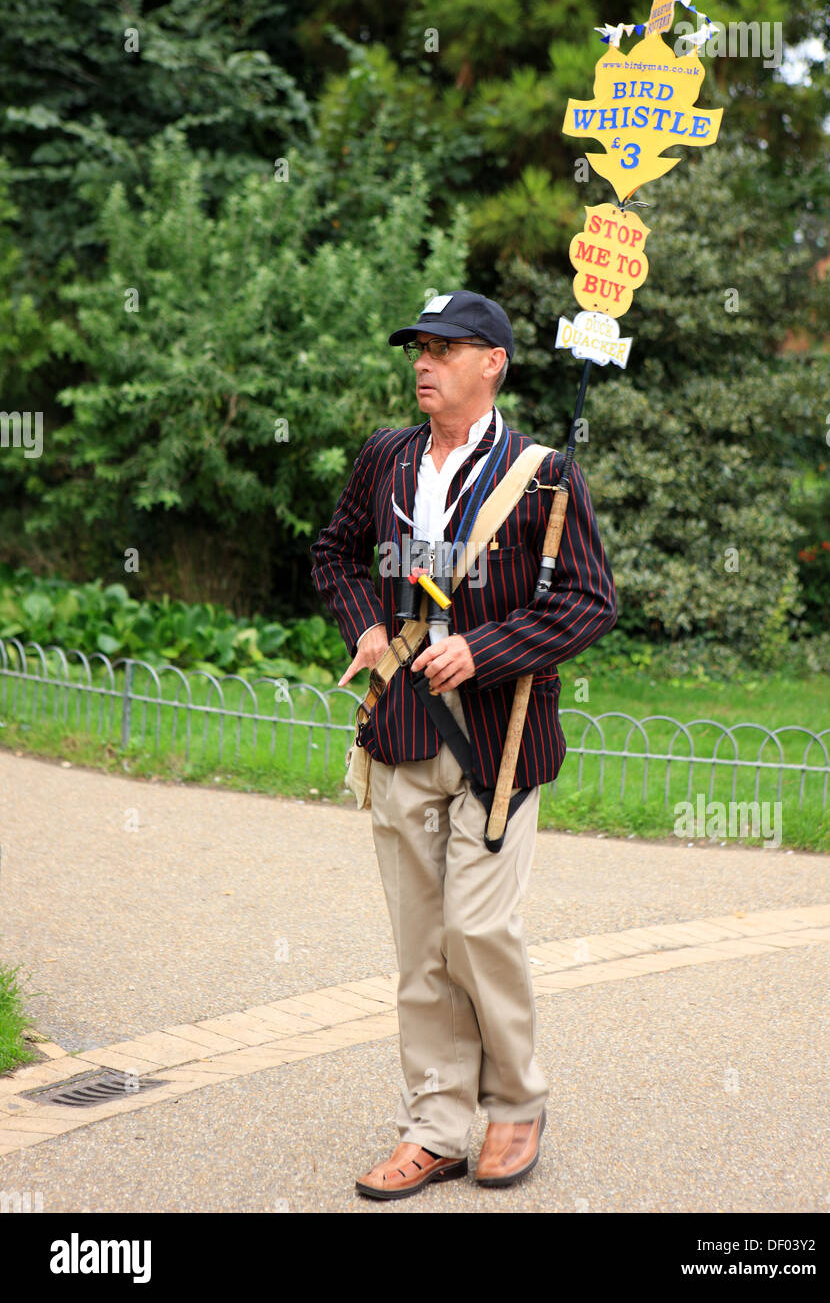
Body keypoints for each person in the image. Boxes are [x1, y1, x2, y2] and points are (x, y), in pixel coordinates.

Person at [310, 289, 617, 1200]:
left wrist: (482, 649)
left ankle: (517, 1105)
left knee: (477, 929)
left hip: (499, 738)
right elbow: (335, 554)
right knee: (422, 948)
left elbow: (589, 602)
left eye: (446, 348)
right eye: (418, 347)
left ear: (495, 363)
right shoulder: (388, 458)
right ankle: (437, 1125)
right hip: (400, 729)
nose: (423, 363)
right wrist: (367, 623)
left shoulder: (547, 475)